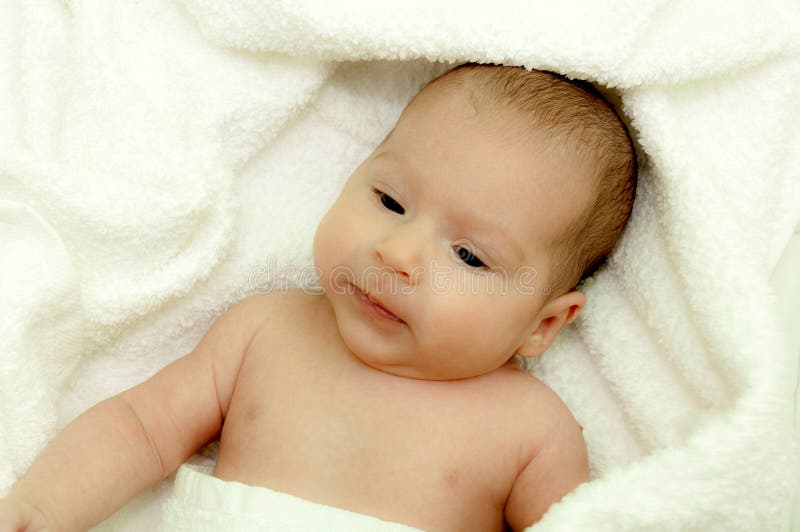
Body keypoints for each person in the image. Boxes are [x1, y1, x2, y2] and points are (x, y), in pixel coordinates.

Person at [0, 62, 637, 531]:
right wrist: (39, 509)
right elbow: (140, 429)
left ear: (544, 324)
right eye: (390, 201)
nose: (398, 252)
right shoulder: (266, 332)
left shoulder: (531, 428)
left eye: (469, 255)